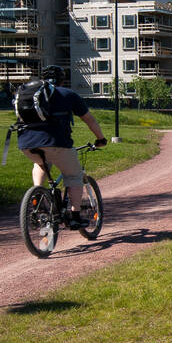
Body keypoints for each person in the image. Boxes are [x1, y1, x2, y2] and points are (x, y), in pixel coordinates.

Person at [17, 65, 106, 229]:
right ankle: (75, 217)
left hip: (26, 143)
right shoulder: (68, 94)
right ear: (62, 79)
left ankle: (37, 195)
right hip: (56, 143)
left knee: (40, 163)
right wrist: (100, 138)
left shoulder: (30, 94)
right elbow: (89, 120)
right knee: (73, 176)